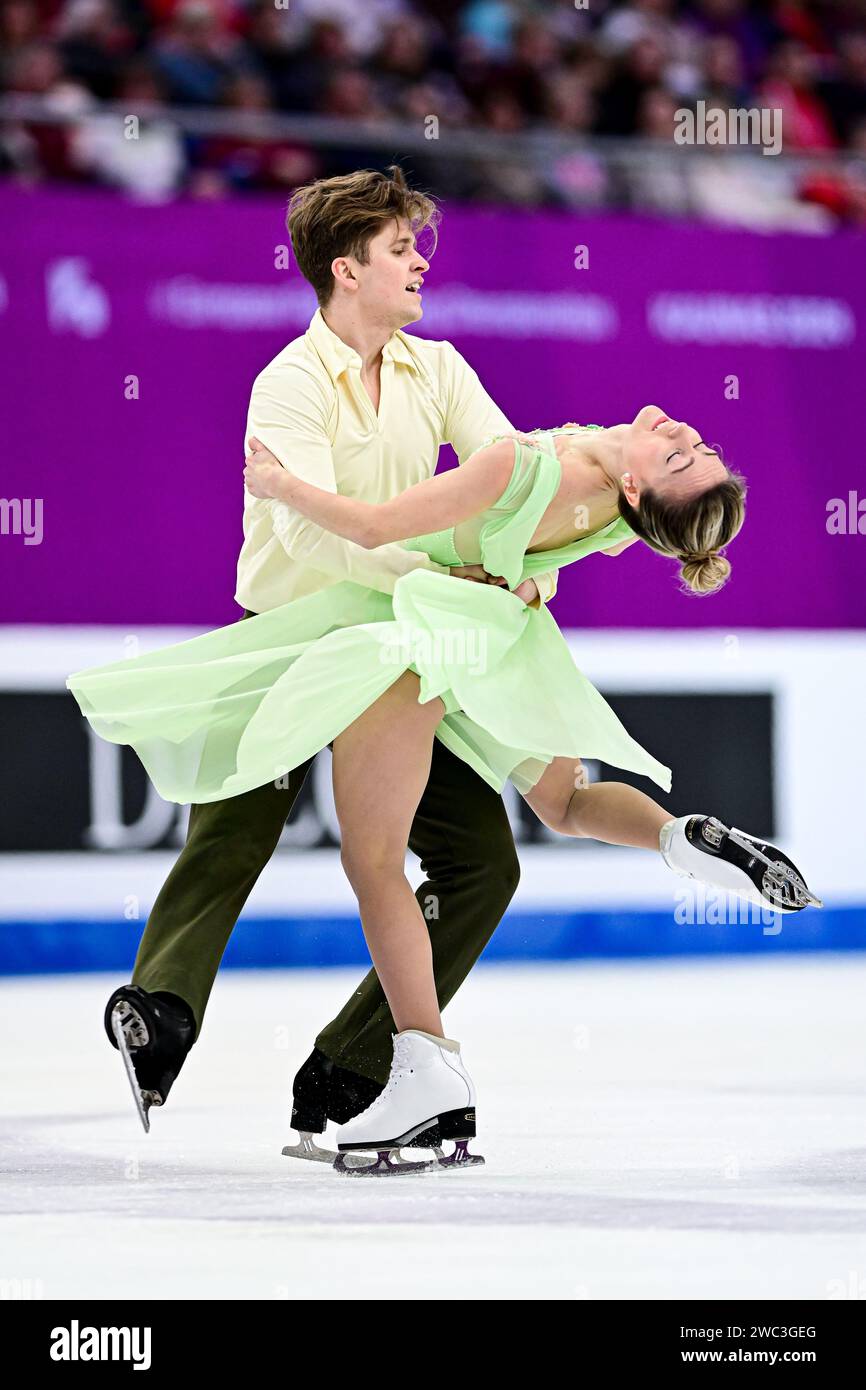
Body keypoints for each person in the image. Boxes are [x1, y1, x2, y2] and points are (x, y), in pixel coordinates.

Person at [69, 404, 821, 1172]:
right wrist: (532, 588)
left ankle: (426, 1068)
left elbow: (371, 528)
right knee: (563, 804)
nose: (685, 435)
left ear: (636, 485)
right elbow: (558, 544)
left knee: (373, 861)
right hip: (497, 636)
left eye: (680, 457)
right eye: (696, 446)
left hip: (414, 639)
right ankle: (679, 837)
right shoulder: (628, 515)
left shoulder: (521, 466)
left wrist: (278, 484)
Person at [72, 165, 561, 1149]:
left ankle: (353, 1059)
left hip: (400, 650)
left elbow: (510, 478)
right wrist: (450, 577)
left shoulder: (441, 370)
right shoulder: (288, 385)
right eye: (398, 248)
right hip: (299, 637)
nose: (420, 260)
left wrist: (519, 557)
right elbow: (315, 541)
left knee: (481, 862)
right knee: (234, 825)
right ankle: (159, 1012)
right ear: (346, 270)